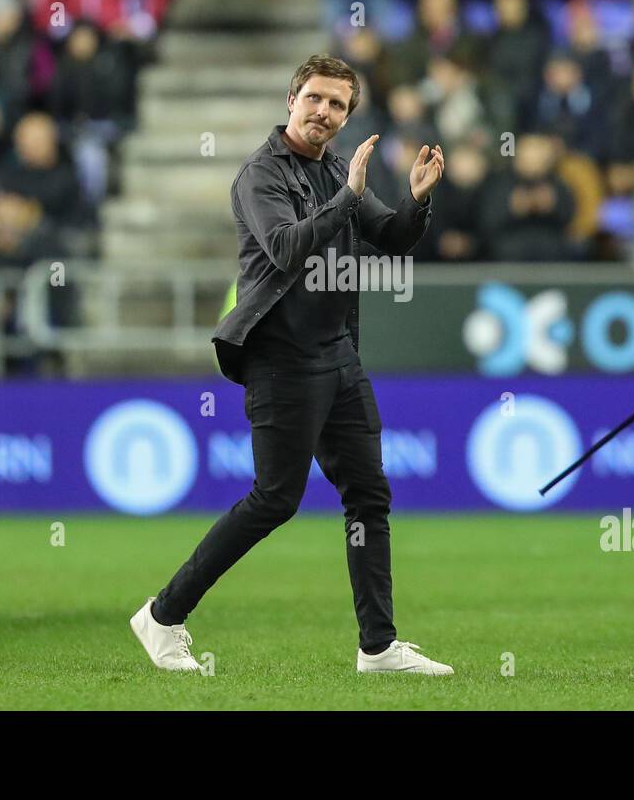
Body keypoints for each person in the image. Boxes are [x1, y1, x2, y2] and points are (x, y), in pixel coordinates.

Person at [130, 54, 453, 674]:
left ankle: (378, 647)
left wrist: (415, 201)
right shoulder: (260, 175)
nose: (324, 113)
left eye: (337, 105)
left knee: (369, 495)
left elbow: (389, 237)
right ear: (291, 99)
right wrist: (349, 196)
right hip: (280, 358)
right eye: (315, 99)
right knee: (275, 499)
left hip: (337, 355)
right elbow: (283, 248)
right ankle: (163, 615)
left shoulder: (336, 168)